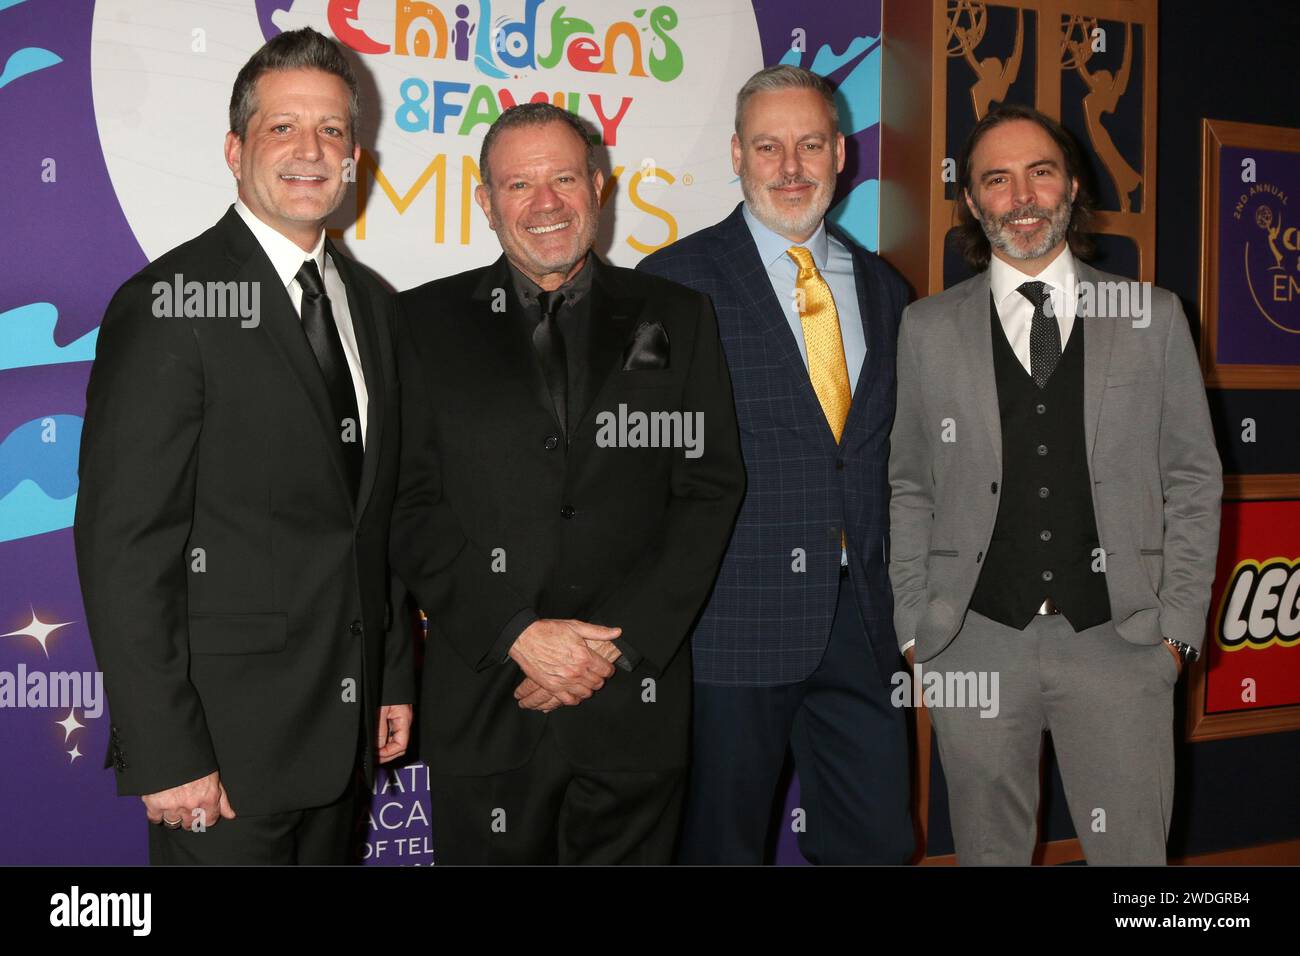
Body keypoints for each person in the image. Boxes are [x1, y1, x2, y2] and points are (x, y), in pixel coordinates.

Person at [74, 28, 413, 865]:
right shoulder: (170, 302)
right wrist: (167, 750)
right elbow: (125, 545)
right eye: (282, 128)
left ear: (354, 155)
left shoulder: (373, 306)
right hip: (219, 758)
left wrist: (391, 678)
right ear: (235, 149)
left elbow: (375, 517)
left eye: (332, 130)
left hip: (343, 738)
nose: (310, 150)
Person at [389, 102, 745, 864]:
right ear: (484, 202)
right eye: (519, 185)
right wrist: (518, 633)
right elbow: (407, 503)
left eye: (563, 179)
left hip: (632, 707)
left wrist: (606, 652)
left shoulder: (679, 317)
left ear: (600, 186)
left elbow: (708, 490)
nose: (545, 204)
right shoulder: (418, 324)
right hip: (487, 699)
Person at [888, 103, 1221, 864]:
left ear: (1071, 182)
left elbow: (1195, 479)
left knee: (1132, 862)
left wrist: (1175, 628)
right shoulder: (929, 329)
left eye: (1040, 172)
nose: (1023, 196)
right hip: (973, 642)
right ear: (972, 202)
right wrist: (917, 628)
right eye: (997, 180)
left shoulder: (1153, 316)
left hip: (1123, 640)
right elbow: (910, 486)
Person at [637, 65, 913, 865]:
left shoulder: (888, 291)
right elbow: (639, 469)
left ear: (841, 155)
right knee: (719, 848)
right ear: (736, 153)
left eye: (810, 145)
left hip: (865, 621)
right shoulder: (672, 284)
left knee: (878, 846)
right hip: (728, 626)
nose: (790, 167)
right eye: (768, 146)